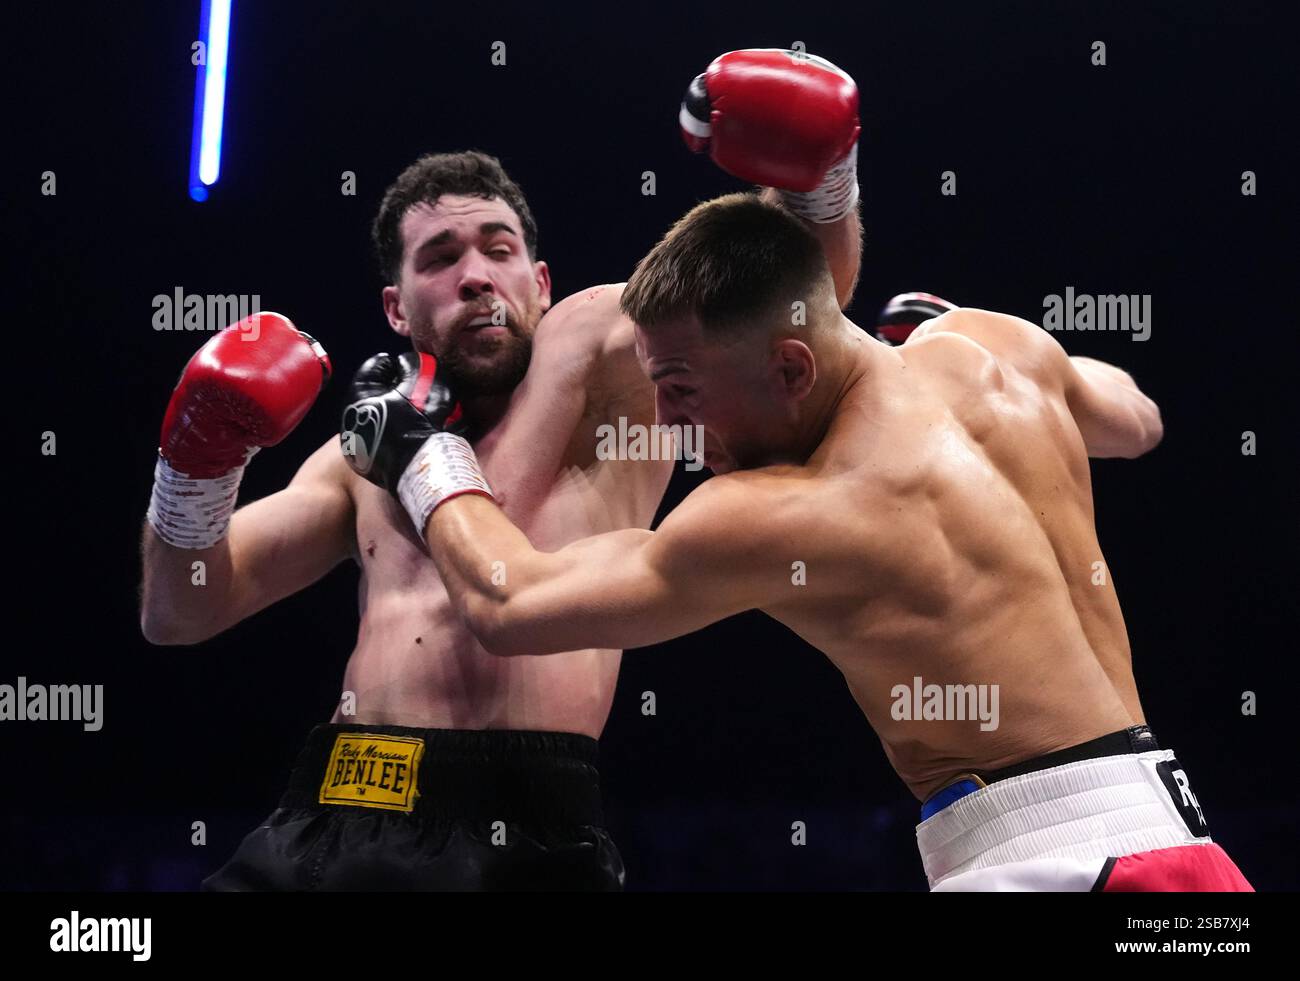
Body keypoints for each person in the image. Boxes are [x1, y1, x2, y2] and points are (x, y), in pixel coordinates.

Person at [358, 192, 1252, 891]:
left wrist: (423, 451)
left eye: (678, 386)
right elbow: (1137, 420)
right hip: (1186, 851)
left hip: (1051, 869)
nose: (664, 421)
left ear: (791, 367)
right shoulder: (997, 349)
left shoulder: (787, 511)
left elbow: (509, 602)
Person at [139, 49, 864, 890]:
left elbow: (796, 301)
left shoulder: (601, 357)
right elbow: (178, 610)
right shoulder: (360, 459)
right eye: (440, 258)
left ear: (541, 280)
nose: (477, 276)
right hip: (329, 812)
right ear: (396, 307)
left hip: (522, 829)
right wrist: (195, 463)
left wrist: (825, 180)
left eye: (498, 248)